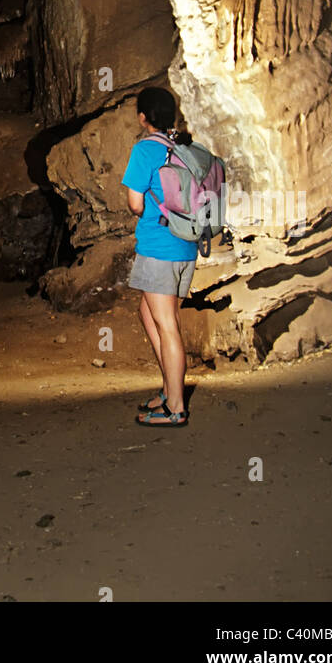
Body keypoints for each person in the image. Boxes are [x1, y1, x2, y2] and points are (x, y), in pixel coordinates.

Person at [121, 87, 196, 427]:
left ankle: (176, 407)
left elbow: (135, 203)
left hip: (159, 247)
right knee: (149, 312)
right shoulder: (183, 148)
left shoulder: (145, 150)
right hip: (186, 246)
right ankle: (169, 388)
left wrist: (143, 209)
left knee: (167, 325)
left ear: (143, 118)